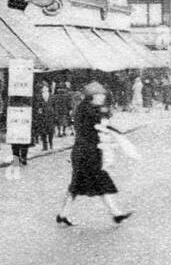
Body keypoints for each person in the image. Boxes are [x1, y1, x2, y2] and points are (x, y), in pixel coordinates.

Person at [57, 82, 132, 226]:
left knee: (78, 186)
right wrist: (104, 116)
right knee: (99, 183)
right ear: (92, 97)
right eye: (99, 95)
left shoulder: (87, 109)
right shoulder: (87, 110)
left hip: (85, 152)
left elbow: (101, 123)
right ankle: (116, 214)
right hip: (86, 153)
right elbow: (97, 125)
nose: (102, 97)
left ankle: (63, 215)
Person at [33, 86, 54, 151]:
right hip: (43, 117)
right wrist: (39, 111)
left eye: (46, 89)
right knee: (43, 132)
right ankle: (45, 146)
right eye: (43, 90)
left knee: (50, 132)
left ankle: (50, 145)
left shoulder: (51, 97)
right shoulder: (40, 97)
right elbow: (38, 106)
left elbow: (54, 105)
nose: (44, 91)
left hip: (50, 116)